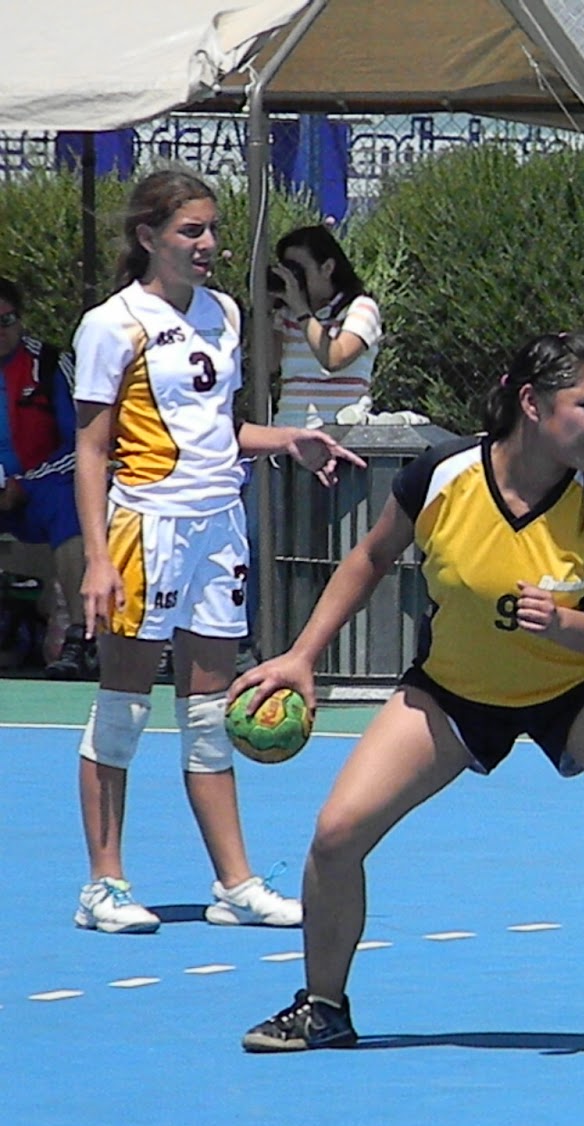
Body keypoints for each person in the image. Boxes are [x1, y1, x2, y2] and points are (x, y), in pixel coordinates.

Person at [233, 331, 584, 1070]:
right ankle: (323, 1008)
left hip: (578, 689)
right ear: (533, 405)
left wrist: (564, 622)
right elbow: (372, 557)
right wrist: (302, 656)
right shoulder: (444, 477)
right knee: (338, 832)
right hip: (455, 691)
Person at [70, 169, 367, 934]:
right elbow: (94, 449)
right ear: (148, 238)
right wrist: (99, 559)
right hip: (149, 527)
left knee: (209, 709)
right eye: (190, 232)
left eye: (212, 230)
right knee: (124, 707)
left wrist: (290, 440)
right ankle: (103, 883)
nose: (208, 245)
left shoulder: (225, 314)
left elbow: (220, 429)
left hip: (217, 526)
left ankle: (233, 883)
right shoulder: (114, 324)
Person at [0, 277, 96, 680]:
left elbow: (82, 442)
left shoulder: (52, 363)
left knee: (69, 505)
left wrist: (23, 484)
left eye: (7, 320)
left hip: (39, 490)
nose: (1, 331)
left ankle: (81, 640)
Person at [267, 224, 382, 428]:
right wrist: (263, 309)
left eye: (300, 271)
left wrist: (302, 310)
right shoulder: (286, 314)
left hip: (343, 437)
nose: (295, 279)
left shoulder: (360, 308)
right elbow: (268, 365)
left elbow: (334, 358)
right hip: (290, 434)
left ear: (327, 268)